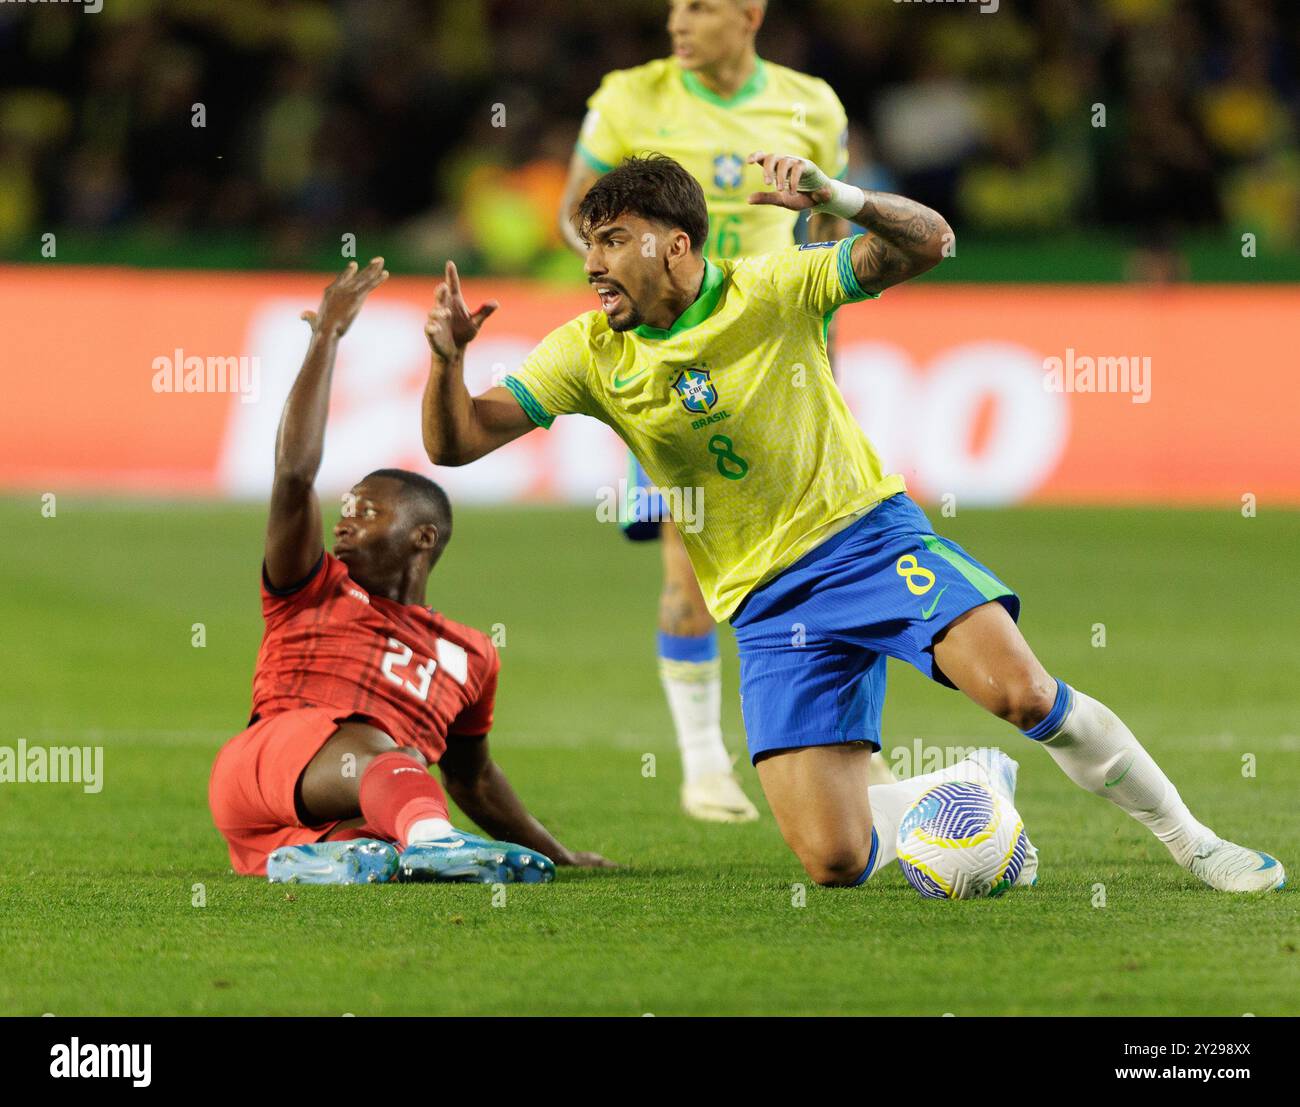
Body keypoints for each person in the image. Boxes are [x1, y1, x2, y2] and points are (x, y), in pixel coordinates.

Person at [418, 155, 1284, 892]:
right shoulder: (586, 353)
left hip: (868, 540)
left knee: (1021, 692)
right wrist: (446, 361)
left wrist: (843, 199)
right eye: (589, 246)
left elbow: (931, 241)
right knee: (835, 860)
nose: (593, 265)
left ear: (676, 243)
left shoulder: (775, 286)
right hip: (765, 604)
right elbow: (456, 444)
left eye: (612, 241)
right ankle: (967, 787)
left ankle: (1194, 841)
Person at [558, 0, 877, 821]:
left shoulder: (814, 103)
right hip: (674, 358)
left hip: (779, 362)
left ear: (749, 13)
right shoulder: (630, 96)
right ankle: (704, 762)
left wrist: (819, 323)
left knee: (827, 551)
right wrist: (632, 279)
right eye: (671, 7)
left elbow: (831, 220)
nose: (677, 21)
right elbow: (573, 213)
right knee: (690, 561)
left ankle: (850, 751)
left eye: (698, 6)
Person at [208, 258, 613, 884]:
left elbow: (473, 776)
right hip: (268, 764)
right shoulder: (308, 590)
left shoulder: (471, 655)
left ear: (422, 537)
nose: (343, 523)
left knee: (386, 828)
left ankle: (324, 858)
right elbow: (293, 475)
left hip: (352, 805)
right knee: (393, 765)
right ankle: (435, 841)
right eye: (345, 510)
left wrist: (557, 851)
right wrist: (326, 337)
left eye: (366, 512)